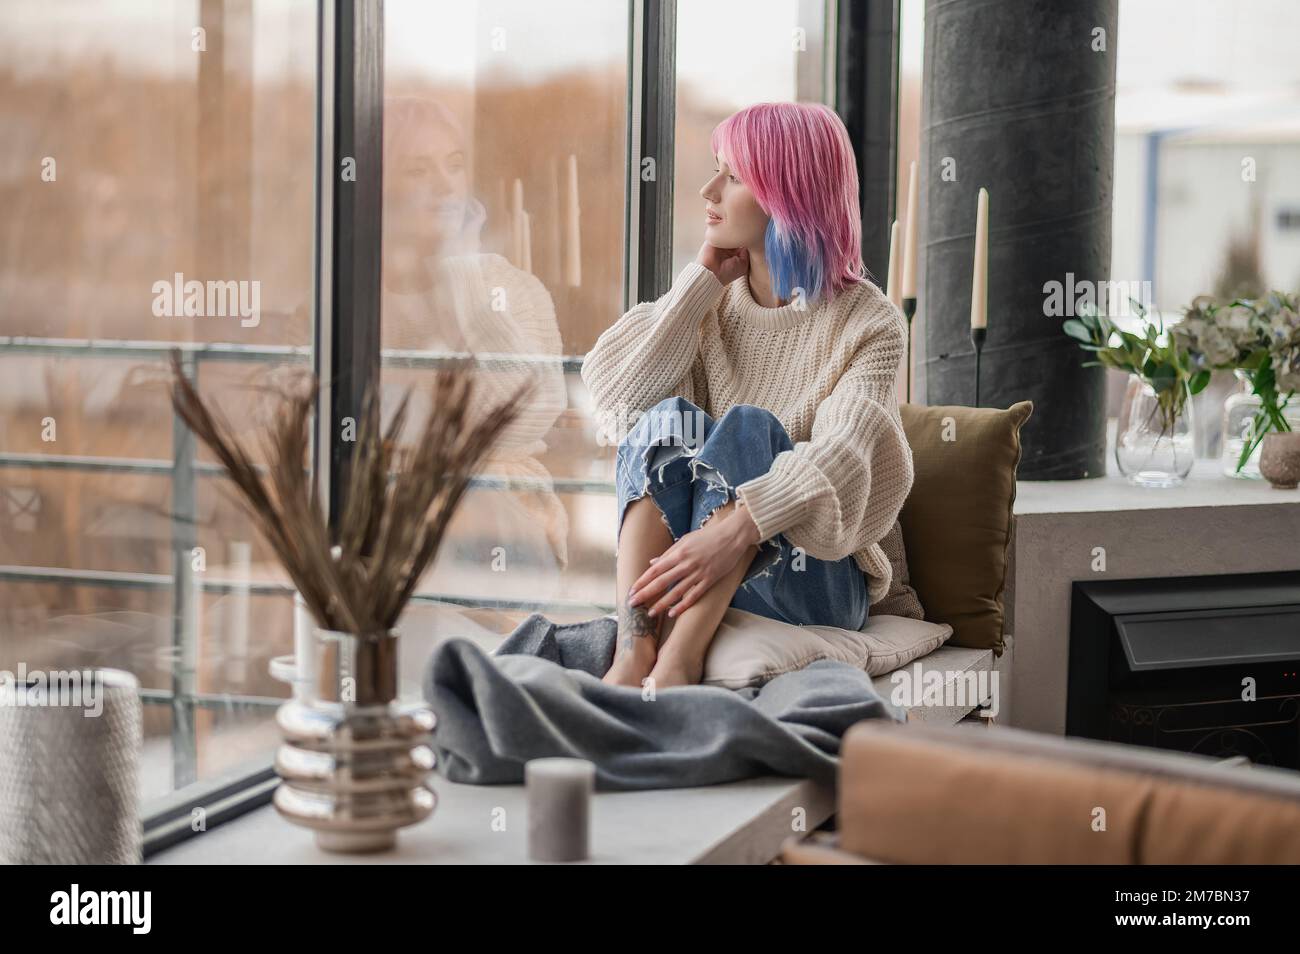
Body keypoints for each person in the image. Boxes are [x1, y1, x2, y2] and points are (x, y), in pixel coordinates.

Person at [581, 102, 914, 690]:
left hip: (818, 578)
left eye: (732, 176)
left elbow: (845, 456)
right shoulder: (710, 307)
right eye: (716, 170)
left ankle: (679, 662)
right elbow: (617, 404)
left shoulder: (869, 323)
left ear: (786, 194)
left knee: (750, 428)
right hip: (703, 568)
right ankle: (634, 650)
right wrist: (698, 288)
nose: (708, 190)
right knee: (668, 418)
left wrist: (735, 529)